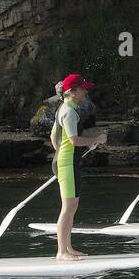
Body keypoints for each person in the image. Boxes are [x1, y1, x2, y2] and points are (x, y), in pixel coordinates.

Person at [50, 73, 107, 261]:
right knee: (68, 207)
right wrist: (96, 139)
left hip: (66, 160)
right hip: (66, 163)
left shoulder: (64, 108)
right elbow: (74, 140)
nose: (85, 90)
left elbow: (54, 137)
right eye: (82, 88)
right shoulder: (68, 111)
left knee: (71, 206)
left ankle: (68, 247)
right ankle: (61, 252)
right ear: (71, 91)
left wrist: (61, 151)